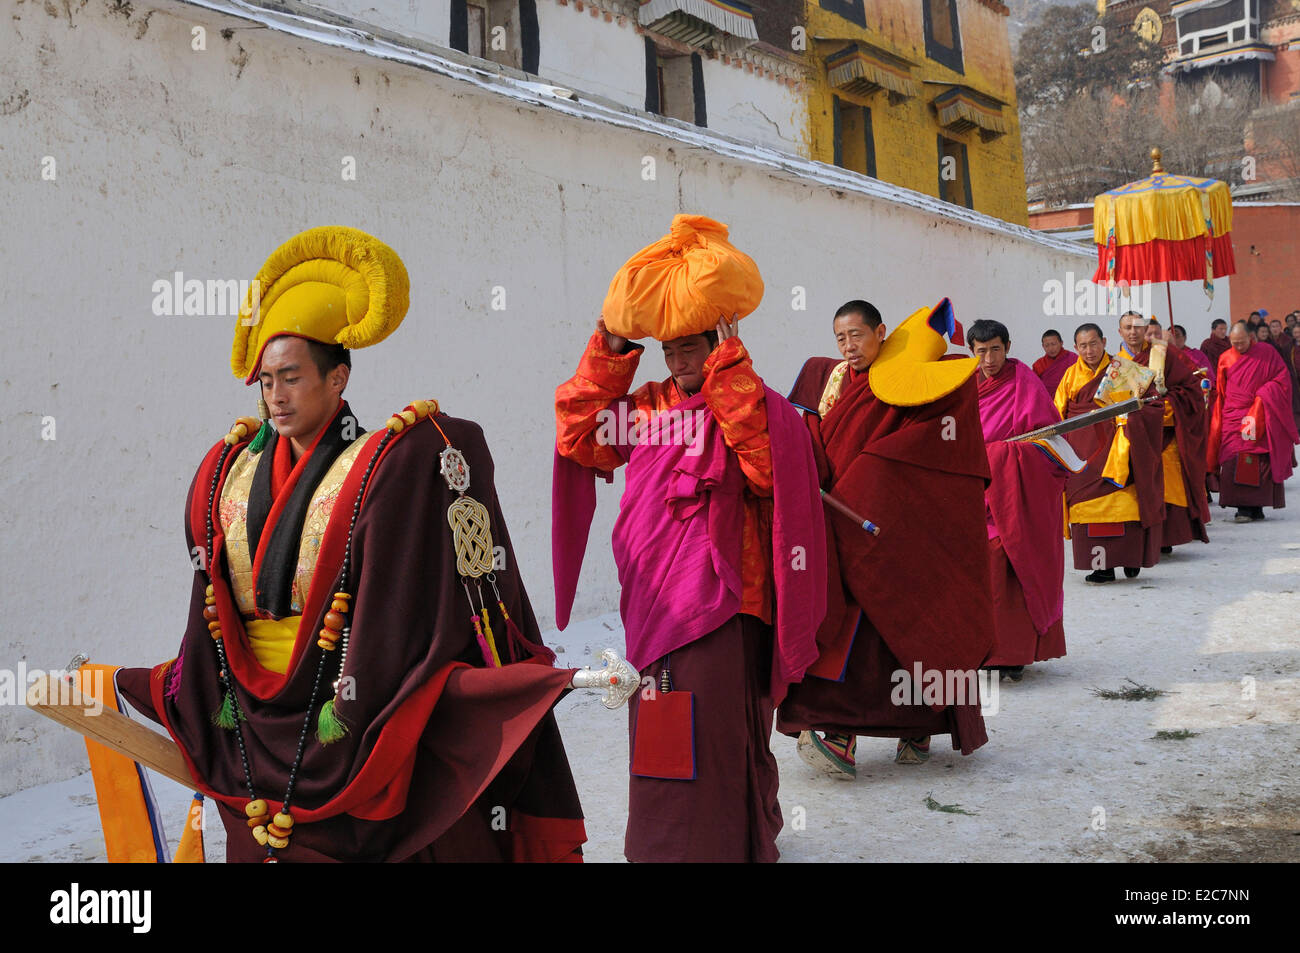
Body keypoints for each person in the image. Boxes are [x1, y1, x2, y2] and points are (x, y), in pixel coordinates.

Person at [114, 227, 587, 862]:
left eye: (291, 378)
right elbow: (215, 595)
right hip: (250, 721)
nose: (275, 396)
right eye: (266, 382)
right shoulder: (231, 468)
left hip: (342, 710)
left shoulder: (377, 467)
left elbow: (403, 600)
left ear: (338, 379)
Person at [552, 214, 825, 862]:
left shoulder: (755, 404)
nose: (679, 360)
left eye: (692, 346)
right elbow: (580, 435)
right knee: (661, 723)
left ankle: (727, 844)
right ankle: (663, 845)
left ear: (720, 341)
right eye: (669, 348)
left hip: (726, 602)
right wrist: (612, 344)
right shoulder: (647, 408)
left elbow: (763, 467)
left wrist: (731, 371)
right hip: (654, 602)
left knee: (719, 731)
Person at [777, 298, 994, 777]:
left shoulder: (925, 376)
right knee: (840, 628)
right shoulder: (825, 378)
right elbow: (801, 433)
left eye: (857, 335)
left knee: (911, 623)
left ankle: (918, 725)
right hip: (834, 523)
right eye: (840, 338)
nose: (848, 347)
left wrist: (869, 488)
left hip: (894, 527)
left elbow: (937, 446)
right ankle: (834, 731)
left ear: (880, 333)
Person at [969, 320, 1068, 681]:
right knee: (983, 574)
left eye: (995, 349)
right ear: (972, 352)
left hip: (1016, 496)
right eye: (981, 351)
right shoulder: (965, 387)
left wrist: (997, 457)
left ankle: (1015, 652)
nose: (989, 358)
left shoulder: (1024, 383)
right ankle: (986, 650)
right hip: (976, 495)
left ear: (1007, 346)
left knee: (1013, 566)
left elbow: (1048, 443)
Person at [1054, 322, 1166, 583]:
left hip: (1120, 449)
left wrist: (1131, 420)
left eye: (1094, 343)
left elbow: (1152, 405)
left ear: (1104, 342)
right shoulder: (1070, 376)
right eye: (1083, 345)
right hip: (1082, 455)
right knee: (1086, 507)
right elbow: (1057, 414)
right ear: (1075, 348)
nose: (1089, 350)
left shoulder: (1123, 369)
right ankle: (1101, 566)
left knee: (1124, 504)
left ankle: (1129, 558)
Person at [1115, 312, 1210, 555]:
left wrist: (1170, 403)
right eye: (1128, 327)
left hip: (1164, 430)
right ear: (1120, 332)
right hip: (1132, 434)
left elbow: (1191, 390)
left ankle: (1166, 537)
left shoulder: (1162, 353)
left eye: (1138, 327)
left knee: (1168, 481)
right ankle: (1141, 536)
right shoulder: (1114, 361)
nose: (1133, 332)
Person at [1208, 322, 1300, 522]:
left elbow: (1282, 380)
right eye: (1234, 343)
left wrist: (1263, 397)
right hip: (1234, 415)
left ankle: (1256, 506)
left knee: (1260, 460)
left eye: (1241, 342)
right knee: (1233, 458)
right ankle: (1243, 507)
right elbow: (1222, 391)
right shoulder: (1226, 357)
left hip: (1260, 412)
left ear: (1251, 338)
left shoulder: (1266, 353)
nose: (1238, 347)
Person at [1032, 329, 1077, 396]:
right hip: (1048, 402)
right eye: (1047, 345)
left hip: (1070, 400)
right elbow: (1034, 387)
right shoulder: (1039, 364)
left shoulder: (1073, 359)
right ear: (1043, 346)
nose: (1051, 348)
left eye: (1053, 344)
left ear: (1061, 343)